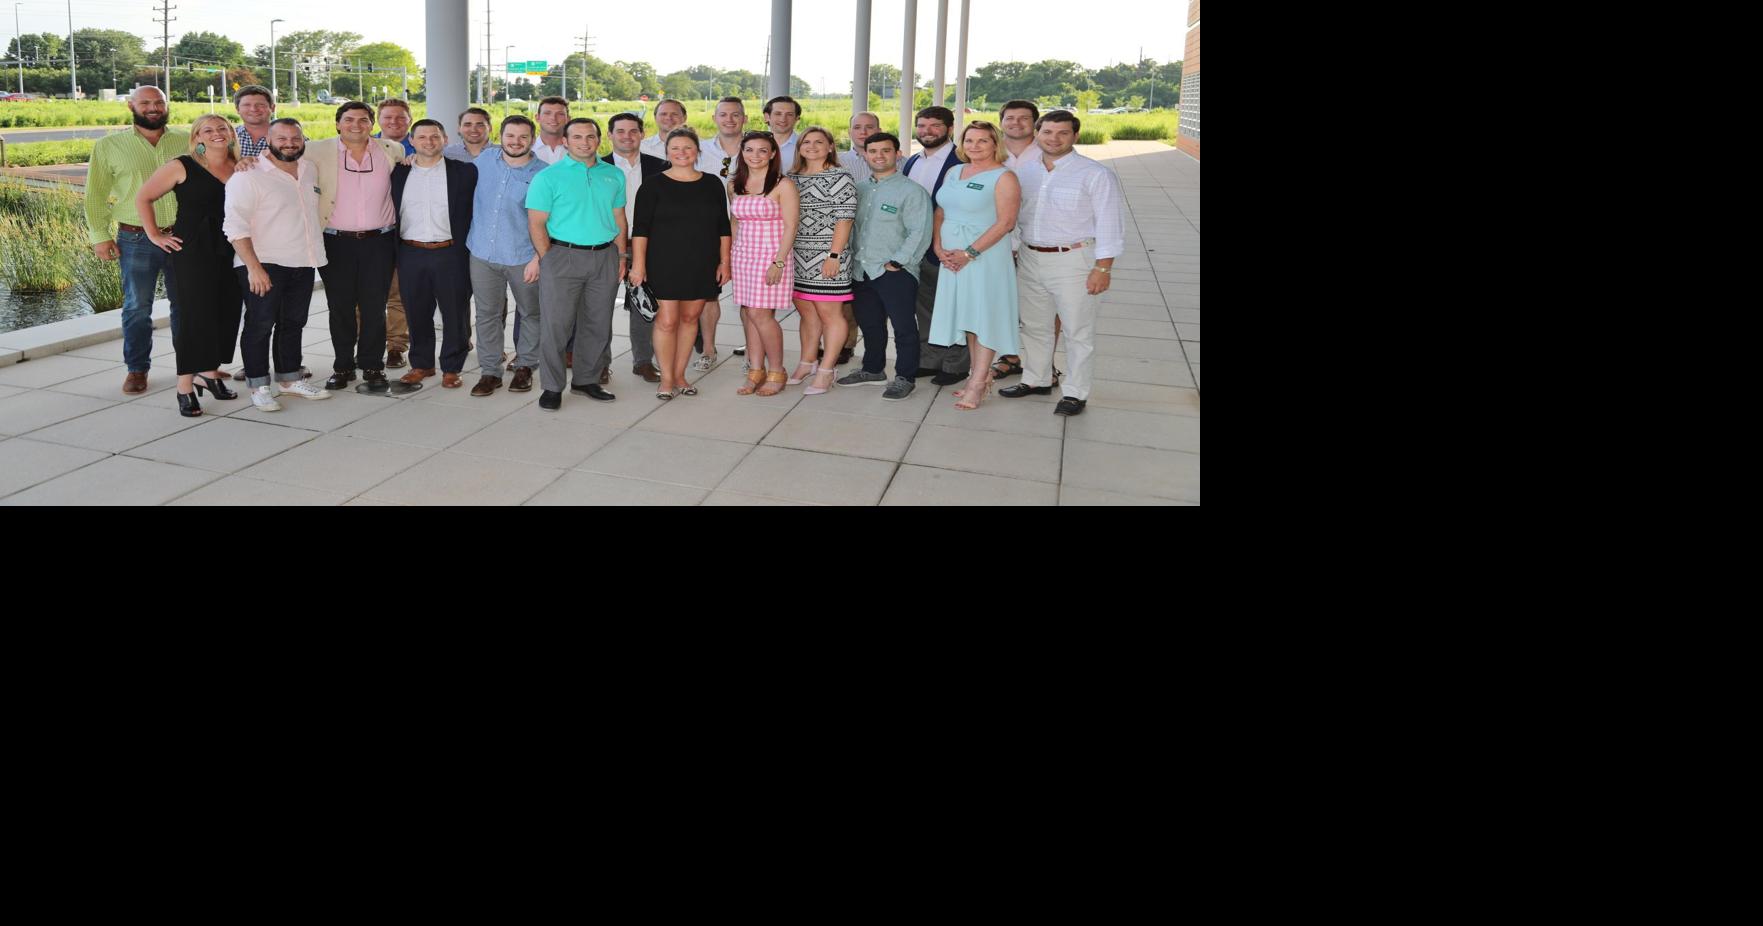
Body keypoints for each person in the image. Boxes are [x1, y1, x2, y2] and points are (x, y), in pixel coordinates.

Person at [1001, 110, 1126, 418]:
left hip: (1074, 260)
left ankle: (1075, 391)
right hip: (1030, 257)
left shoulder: (1095, 174)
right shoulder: (1024, 172)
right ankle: (1037, 378)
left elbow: (1110, 224)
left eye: (1062, 133)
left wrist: (1103, 267)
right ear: (1037, 134)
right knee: (1035, 325)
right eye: (1047, 132)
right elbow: (1017, 216)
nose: (1053, 139)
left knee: (1077, 330)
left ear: (1075, 136)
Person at [133, 114, 242, 416]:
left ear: (232, 134)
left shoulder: (239, 166)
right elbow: (143, 197)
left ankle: (208, 372)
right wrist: (154, 235)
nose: (217, 133)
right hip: (192, 250)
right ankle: (184, 386)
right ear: (197, 138)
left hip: (229, 248)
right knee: (195, 317)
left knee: (224, 313)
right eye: (208, 130)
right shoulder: (181, 165)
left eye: (222, 128)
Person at [84, 86, 187, 395]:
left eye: (159, 102)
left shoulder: (188, 140)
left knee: (186, 305)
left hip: (183, 236)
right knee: (137, 307)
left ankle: (192, 365)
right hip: (135, 237)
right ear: (131, 106)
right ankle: (137, 369)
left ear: (167, 105)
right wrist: (100, 236)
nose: (153, 107)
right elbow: (95, 195)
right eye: (145, 103)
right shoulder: (109, 146)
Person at [223, 118, 332, 412]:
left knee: (293, 323)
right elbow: (234, 226)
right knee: (260, 325)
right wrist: (253, 268)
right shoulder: (248, 175)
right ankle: (259, 386)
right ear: (268, 141)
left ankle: (289, 379)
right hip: (263, 263)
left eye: (295, 138)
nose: (289, 143)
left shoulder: (309, 169)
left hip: (302, 260)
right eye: (282, 138)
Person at [302, 100, 406, 392]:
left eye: (363, 120)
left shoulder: (391, 150)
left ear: (372, 124)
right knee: (340, 307)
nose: (356, 125)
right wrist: (247, 161)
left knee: (375, 306)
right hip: (336, 242)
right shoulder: (317, 150)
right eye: (349, 120)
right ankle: (343, 366)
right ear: (338, 123)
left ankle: (373, 365)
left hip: (380, 242)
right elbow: (279, 158)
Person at [525, 117, 628, 410]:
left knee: (597, 324)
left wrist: (621, 255)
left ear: (599, 140)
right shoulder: (548, 177)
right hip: (563, 256)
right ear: (566, 142)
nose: (585, 142)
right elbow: (536, 223)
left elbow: (620, 218)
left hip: (605, 256)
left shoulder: (613, 175)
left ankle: (586, 380)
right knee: (556, 326)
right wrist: (549, 258)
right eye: (578, 137)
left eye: (591, 136)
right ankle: (552, 386)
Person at [629, 127, 731, 400]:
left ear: (697, 151)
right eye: (675, 148)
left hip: (701, 262)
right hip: (663, 263)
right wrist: (638, 266)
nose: (682, 153)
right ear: (667, 152)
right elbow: (640, 230)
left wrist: (725, 261)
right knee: (666, 321)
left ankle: (681, 374)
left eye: (688, 148)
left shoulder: (712, 184)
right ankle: (667, 378)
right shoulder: (652, 185)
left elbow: (723, 226)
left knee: (690, 319)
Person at [928, 121, 1020, 411]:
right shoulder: (955, 171)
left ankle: (979, 382)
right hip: (951, 257)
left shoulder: (1004, 177)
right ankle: (974, 375)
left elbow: (1006, 223)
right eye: (969, 140)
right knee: (968, 315)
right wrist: (938, 246)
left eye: (983, 141)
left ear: (996, 144)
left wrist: (969, 253)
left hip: (983, 257)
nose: (975, 146)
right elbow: (941, 209)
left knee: (984, 316)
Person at [837, 133, 932, 403]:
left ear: (897, 154)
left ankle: (905, 376)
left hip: (895, 271)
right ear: (865, 155)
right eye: (873, 151)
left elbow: (920, 231)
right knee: (870, 324)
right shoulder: (858, 188)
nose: (879, 155)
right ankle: (872, 369)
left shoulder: (911, 191)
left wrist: (899, 262)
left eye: (886, 150)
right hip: (861, 269)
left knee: (903, 327)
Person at [391, 119, 477, 390]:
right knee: (416, 311)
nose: (429, 141)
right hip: (410, 252)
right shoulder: (397, 173)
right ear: (412, 141)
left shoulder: (465, 172)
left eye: (435, 136)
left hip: (450, 252)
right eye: (422, 137)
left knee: (455, 312)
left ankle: (452, 367)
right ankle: (422, 364)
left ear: (445, 139)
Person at [467, 115, 549, 397]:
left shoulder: (545, 174)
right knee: (487, 315)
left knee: (531, 314)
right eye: (510, 136)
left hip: (524, 256)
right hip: (482, 254)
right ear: (500, 136)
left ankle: (526, 366)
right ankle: (490, 372)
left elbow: (552, 221)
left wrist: (540, 258)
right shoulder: (483, 162)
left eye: (523, 137)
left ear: (533, 138)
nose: (516, 142)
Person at [785, 126, 856, 396]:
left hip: (828, 256)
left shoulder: (839, 176)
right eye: (806, 142)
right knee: (807, 313)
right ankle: (807, 362)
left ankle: (827, 370)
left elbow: (845, 218)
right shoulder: (792, 178)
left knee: (830, 314)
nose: (812, 146)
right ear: (799, 147)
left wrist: (834, 256)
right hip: (798, 255)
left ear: (830, 147)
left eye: (819, 142)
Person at [899, 106, 968, 386]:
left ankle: (956, 363)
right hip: (917, 249)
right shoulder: (912, 161)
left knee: (954, 306)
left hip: (949, 246)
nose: (928, 131)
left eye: (935, 125)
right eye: (922, 125)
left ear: (950, 129)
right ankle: (930, 358)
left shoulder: (961, 161)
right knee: (924, 306)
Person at [727, 131, 798, 397]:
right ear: (742, 153)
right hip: (743, 255)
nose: (755, 156)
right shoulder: (734, 184)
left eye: (762, 150)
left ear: (772, 154)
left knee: (760, 314)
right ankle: (755, 370)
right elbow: (734, 222)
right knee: (749, 313)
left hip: (772, 256)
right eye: (749, 150)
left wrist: (778, 261)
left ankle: (777, 370)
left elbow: (791, 226)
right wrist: (729, 257)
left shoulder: (783, 185)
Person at [603, 112, 670, 384]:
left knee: (644, 305)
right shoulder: (597, 166)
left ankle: (643, 362)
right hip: (606, 245)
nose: (627, 136)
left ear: (642, 134)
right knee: (598, 307)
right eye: (620, 131)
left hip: (648, 245)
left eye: (633, 131)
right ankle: (599, 363)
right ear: (610, 135)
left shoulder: (661, 166)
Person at [992, 98, 1048, 382]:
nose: (1016, 123)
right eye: (1010, 118)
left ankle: (1044, 365)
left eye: (1023, 118)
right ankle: (1010, 356)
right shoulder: (991, 153)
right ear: (1001, 122)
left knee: (1040, 308)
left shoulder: (1047, 153)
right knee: (1003, 303)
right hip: (996, 241)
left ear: (1035, 123)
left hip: (1037, 241)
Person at [692, 96, 749, 369]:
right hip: (709, 233)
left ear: (744, 119)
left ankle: (754, 350)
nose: (729, 119)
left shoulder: (757, 148)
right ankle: (709, 349)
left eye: (735, 114)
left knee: (751, 297)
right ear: (714, 118)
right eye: (723, 114)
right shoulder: (700, 151)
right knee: (709, 293)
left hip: (751, 233)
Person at [375, 99, 417, 368]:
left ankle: (396, 346)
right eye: (388, 117)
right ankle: (365, 344)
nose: (394, 122)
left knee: (398, 294)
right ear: (378, 120)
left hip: (406, 232)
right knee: (365, 295)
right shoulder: (367, 147)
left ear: (409, 120)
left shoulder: (421, 148)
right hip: (373, 231)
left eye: (401, 118)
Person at [233, 85, 275, 159]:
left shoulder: (290, 137)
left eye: (260, 104)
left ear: (272, 108)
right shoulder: (229, 137)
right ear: (237, 109)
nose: (253, 109)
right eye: (247, 105)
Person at [838, 111, 880, 183]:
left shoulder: (897, 161)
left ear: (879, 132)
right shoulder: (836, 161)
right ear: (849, 132)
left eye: (869, 127)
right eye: (857, 127)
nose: (863, 132)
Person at [764, 95, 802, 167]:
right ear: (767, 117)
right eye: (778, 114)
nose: (783, 119)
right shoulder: (753, 145)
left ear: (796, 119)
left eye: (789, 114)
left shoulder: (805, 146)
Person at [531, 97, 571, 164]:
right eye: (547, 113)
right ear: (537, 118)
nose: (553, 118)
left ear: (568, 119)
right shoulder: (527, 149)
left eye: (560, 114)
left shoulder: (578, 149)